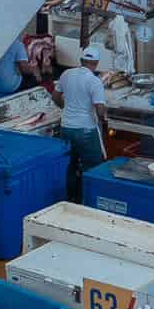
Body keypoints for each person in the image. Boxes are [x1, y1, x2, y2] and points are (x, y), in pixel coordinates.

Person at [52, 45, 107, 198]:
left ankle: (71, 199)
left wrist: (65, 108)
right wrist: (103, 119)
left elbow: (55, 96)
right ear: (96, 63)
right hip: (86, 131)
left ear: (81, 60)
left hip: (66, 127)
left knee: (70, 166)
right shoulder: (94, 81)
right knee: (93, 168)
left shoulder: (66, 74)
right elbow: (100, 109)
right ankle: (89, 200)